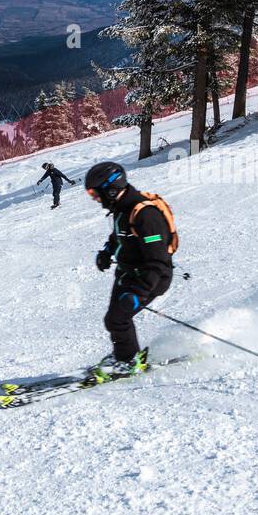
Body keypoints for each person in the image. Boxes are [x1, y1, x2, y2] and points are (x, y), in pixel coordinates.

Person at [85, 161, 177, 376]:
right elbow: (120, 235)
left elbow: (158, 261)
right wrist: (107, 252)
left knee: (118, 319)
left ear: (111, 189)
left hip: (150, 278)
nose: (95, 199)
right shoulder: (122, 209)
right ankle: (124, 355)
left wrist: (139, 292)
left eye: (95, 194)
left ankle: (128, 361)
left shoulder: (146, 215)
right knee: (113, 319)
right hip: (128, 274)